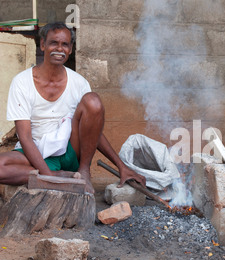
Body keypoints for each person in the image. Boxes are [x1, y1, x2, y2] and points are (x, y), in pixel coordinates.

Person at [0, 22, 146, 194]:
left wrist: (121, 166)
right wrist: (50, 178)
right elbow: (24, 137)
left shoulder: (79, 83)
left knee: (93, 101)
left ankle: (83, 171)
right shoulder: (22, 82)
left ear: (70, 49)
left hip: (70, 150)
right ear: (43, 45)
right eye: (54, 43)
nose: (59, 49)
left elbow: (93, 131)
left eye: (65, 44)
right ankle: (62, 175)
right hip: (35, 152)